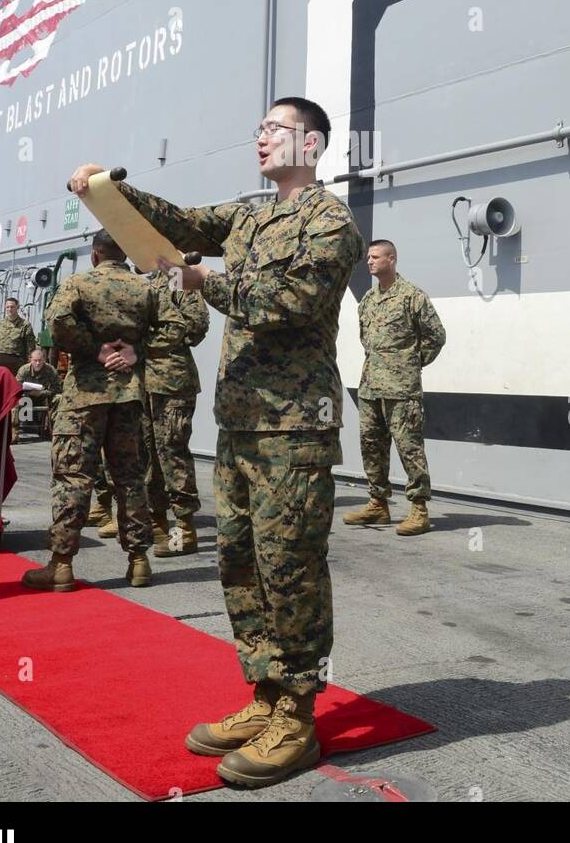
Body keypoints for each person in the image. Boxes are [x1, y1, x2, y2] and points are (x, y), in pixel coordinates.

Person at [69, 95, 365, 788]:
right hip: (240, 421)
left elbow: (288, 302)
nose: (262, 138)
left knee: (289, 565)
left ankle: (296, 713)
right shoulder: (251, 212)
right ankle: (263, 694)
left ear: (312, 144)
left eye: (277, 129)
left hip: (294, 423)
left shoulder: (331, 222)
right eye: (260, 128)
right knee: (240, 561)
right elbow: (182, 223)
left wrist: (203, 279)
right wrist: (112, 192)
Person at [21, 230, 158, 593]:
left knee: (73, 476)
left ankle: (62, 564)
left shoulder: (79, 283)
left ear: (96, 254)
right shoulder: (145, 289)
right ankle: (139, 561)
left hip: (85, 395)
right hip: (128, 395)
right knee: (129, 477)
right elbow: (172, 329)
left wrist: (95, 350)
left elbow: (58, 323)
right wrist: (135, 352)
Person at [344, 240, 446, 535]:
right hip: (370, 386)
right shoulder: (368, 299)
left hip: (401, 389)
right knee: (371, 446)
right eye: (368, 257)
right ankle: (378, 504)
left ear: (392, 258)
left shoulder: (413, 297)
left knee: (409, 447)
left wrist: (410, 365)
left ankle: (419, 509)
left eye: (376, 257)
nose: (370, 262)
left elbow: (436, 336)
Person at [143, 270, 209, 557]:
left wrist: (154, 332)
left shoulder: (180, 282)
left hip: (173, 381)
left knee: (172, 451)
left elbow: (197, 326)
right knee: (147, 454)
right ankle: (157, 523)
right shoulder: (144, 284)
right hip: (142, 382)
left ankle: (184, 528)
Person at [12, 347, 62, 444]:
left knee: (59, 398)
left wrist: (42, 393)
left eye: (40, 360)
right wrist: (27, 392)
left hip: (43, 397)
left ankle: (51, 429)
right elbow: (15, 387)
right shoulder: (24, 370)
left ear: (44, 360)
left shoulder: (50, 370)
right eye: (35, 360)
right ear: (30, 359)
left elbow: (58, 388)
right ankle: (14, 432)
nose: (38, 363)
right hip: (26, 398)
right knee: (14, 400)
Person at [0, 297, 36, 362]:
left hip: (17, 361)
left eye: (12, 307)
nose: (9, 309)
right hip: (0, 360)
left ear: (17, 307)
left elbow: (30, 346)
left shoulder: (25, 325)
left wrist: (30, 360)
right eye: (7, 307)